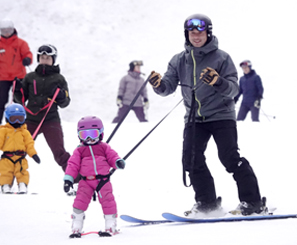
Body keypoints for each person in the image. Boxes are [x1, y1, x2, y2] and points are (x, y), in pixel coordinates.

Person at [148, 14, 267, 216]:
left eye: (200, 32)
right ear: (187, 34)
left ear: (208, 33)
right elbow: (167, 87)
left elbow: (233, 89)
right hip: (195, 119)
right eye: (192, 33)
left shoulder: (222, 58)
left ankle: (253, 202)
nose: (196, 36)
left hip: (222, 115)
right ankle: (207, 203)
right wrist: (158, 85)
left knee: (230, 158)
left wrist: (217, 81)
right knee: (191, 160)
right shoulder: (179, 60)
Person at [15, 43, 72, 171]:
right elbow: (20, 100)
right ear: (38, 59)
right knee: (18, 149)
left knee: (59, 152)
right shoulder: (30, 77)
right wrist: (17, 90)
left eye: (48, 58)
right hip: (31, 119)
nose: (45, 60)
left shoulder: (59, 79)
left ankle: (75, 180)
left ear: (53, 60)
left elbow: (65, 103)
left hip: (51, 119)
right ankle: (8, 179)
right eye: (42, 57)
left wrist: (61, 96)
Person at [65, 116, 124, 237]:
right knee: (79, 202)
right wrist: (68, 179)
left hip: (103, 181)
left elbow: (112, 156)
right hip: (85, 182)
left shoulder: (104, 147)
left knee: (108, 201)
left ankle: (110, 224)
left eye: (93, 134)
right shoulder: (79, 151)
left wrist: (118, 162)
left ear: (101, 134)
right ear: (79, 136)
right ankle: (77, 225)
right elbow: (72, 165)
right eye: (84, 135)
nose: (89, 138)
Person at [0, 18, 33, 134]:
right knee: (1, 99)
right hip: (4, 77)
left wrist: (27, 59)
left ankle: (22, 122)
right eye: (3, 30)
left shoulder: (21, 43)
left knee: (19, 99)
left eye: (8, 30)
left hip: (19, 76)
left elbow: (28, 53)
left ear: (13, 29)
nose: (6, 33)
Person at [0, 103, 39, 194]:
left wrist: (33, 154)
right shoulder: (3, 131)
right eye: (13, 119)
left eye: (20, 119)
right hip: (7, 158)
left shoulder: (25, 132)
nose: (17, 122)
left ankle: (22, 185)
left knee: (22, 172)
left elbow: (29, 145)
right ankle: (5, 185)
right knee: (6, 172)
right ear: (7, 118)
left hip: (20, 158)